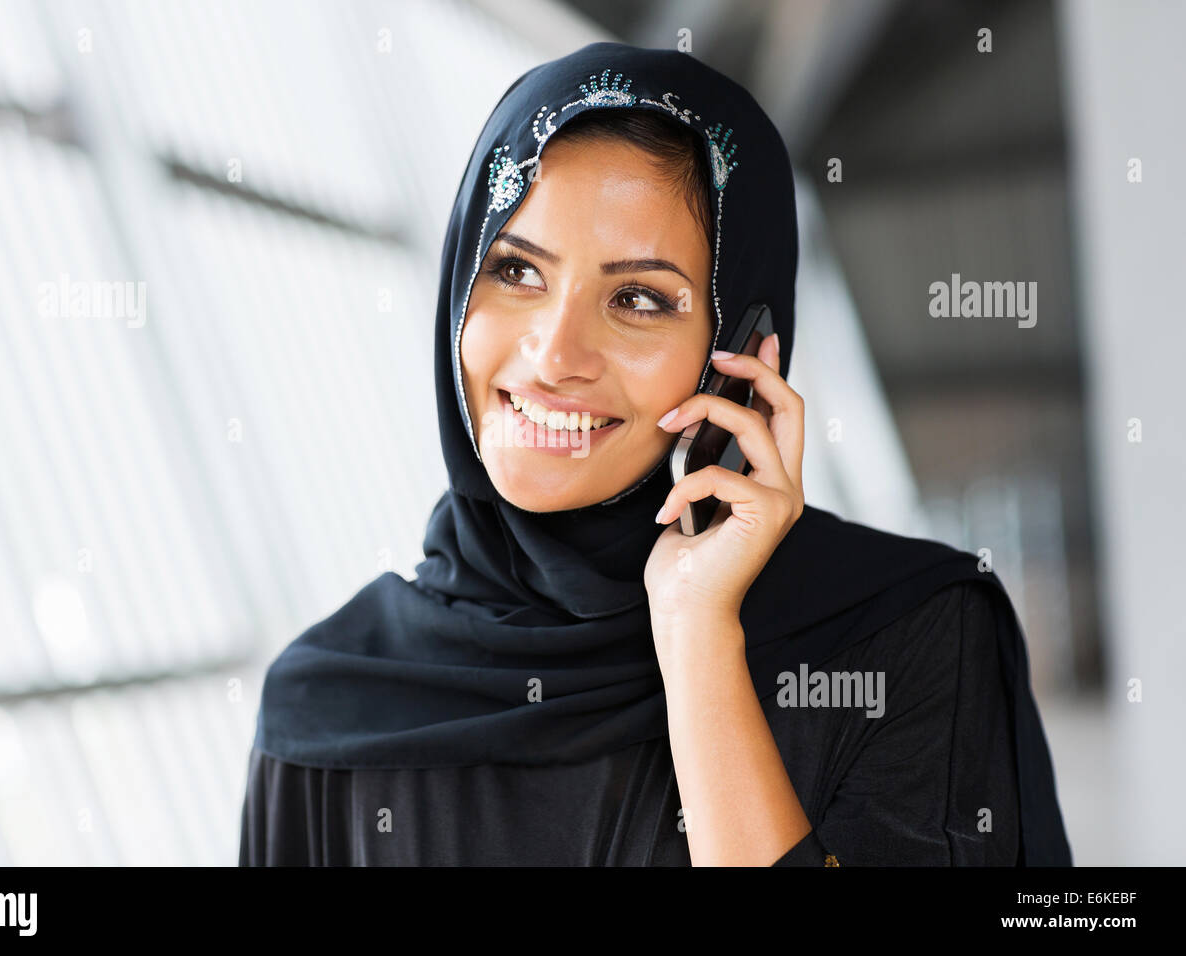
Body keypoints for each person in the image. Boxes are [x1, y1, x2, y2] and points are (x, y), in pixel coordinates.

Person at [238, 41, 1071, 866]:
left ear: (740, 351)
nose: (556, 353)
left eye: (638, 298)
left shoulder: (910, 637)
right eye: (517, 272)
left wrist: (698, 635)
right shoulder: (330, 703)